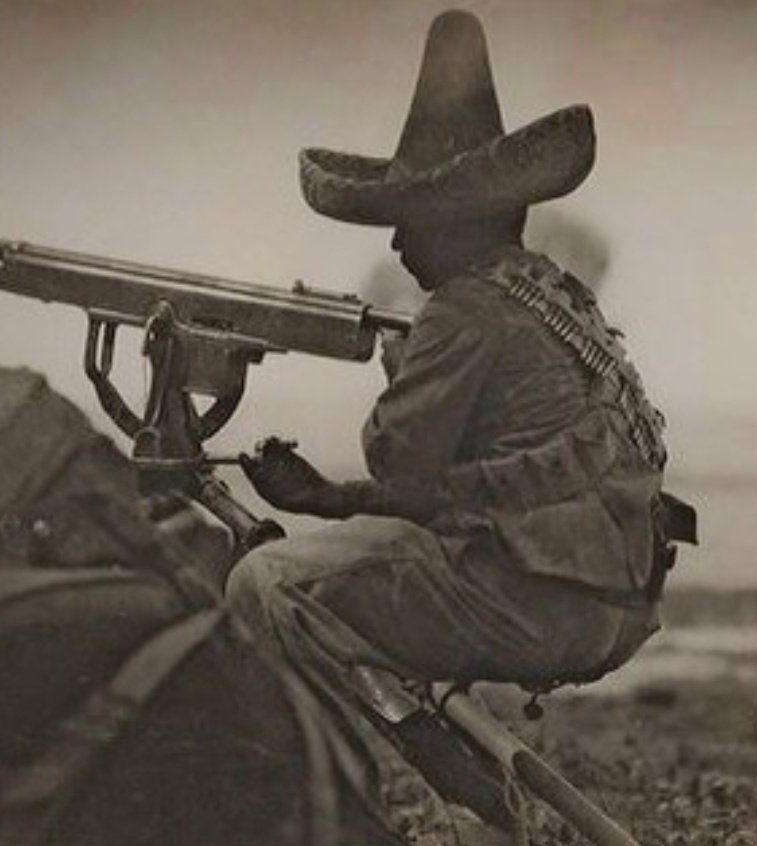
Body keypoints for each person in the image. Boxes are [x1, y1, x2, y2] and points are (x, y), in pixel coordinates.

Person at [227, 4, 691, 738]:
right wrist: (329, 498)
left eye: (414, 219)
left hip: (546, 610)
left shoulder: (464, 308)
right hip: (613, 604)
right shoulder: (546, 289)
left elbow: (398, 457)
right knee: (345, 566)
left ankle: (332, 791)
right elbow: (502, 482)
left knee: (266, 582)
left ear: (461, 223)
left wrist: (399, 369)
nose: (399, 240)